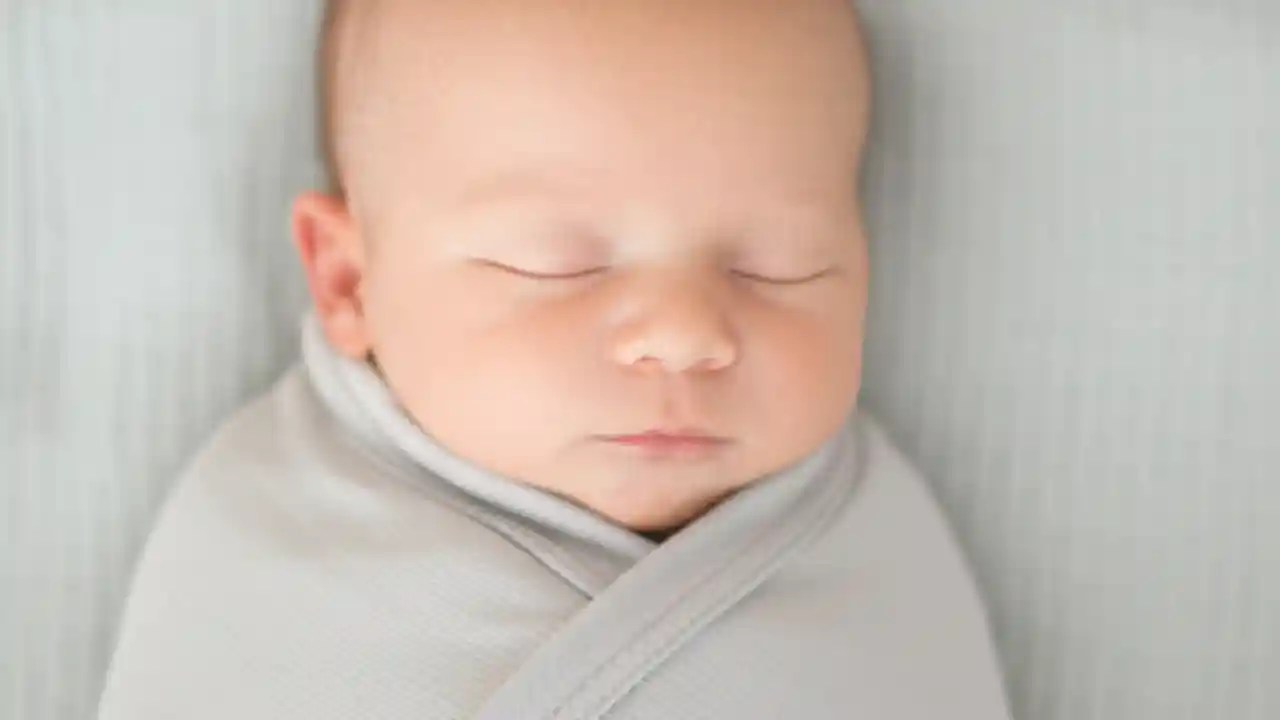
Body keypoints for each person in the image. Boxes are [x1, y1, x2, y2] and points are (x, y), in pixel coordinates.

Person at [97, 1, 1012, 717]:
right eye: (556, 261)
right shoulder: (266, 548)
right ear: (348, 281)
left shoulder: (878, 566)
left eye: (775, 265)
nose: (686, 333)